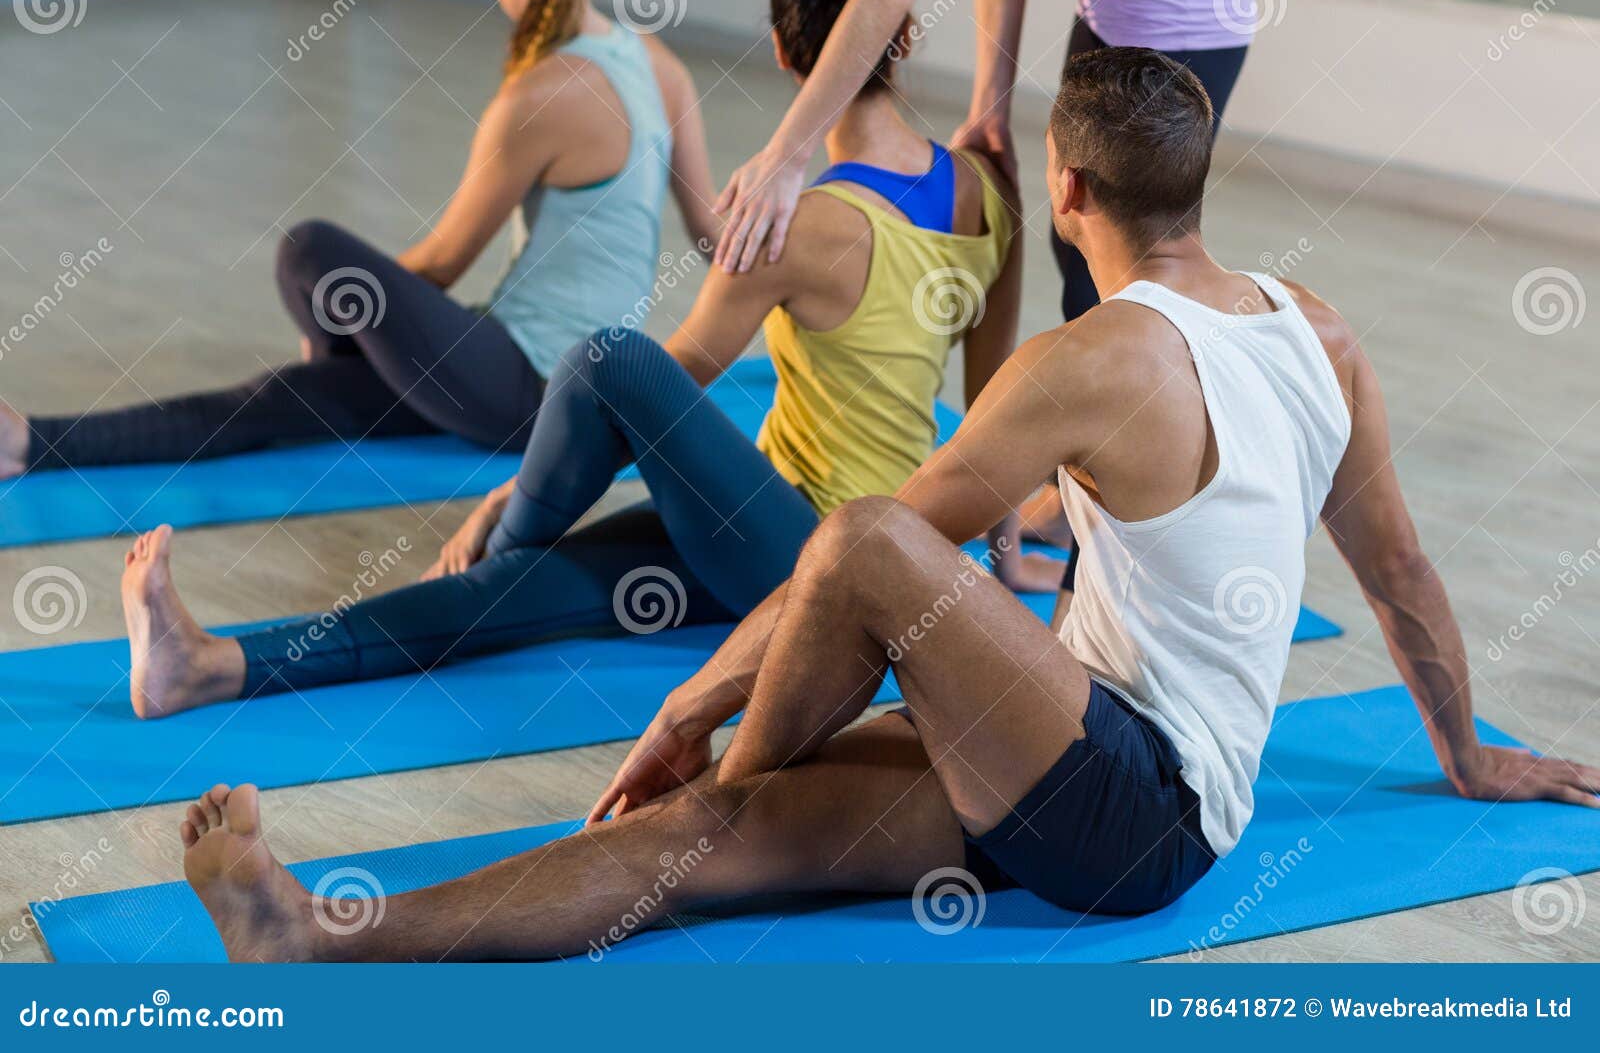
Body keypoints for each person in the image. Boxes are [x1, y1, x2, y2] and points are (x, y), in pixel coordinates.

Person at [173, 48, 1599, 962]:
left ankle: (721, 776)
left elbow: (867, 561)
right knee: (701, 850)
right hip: (1053, 749)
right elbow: (1402, 573)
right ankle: (312, 932)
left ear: (1067, 185)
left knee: (863, 539)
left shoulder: (1091, 360)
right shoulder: (1321, 333)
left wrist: (691, 707)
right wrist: (1464, 751)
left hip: (1135, 810)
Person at [118, 0, 1055, 721]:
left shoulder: (792, 225)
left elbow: (663, 377)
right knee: (515, 590)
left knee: (611, 361)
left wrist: (514, 493)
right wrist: (1005, 557)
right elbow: (991, 410)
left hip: (810, 558)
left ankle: (509, 529)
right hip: (796, 537)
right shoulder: (988, 191)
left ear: (782, 52)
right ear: (901, 36)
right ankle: (207, 665)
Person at [0, 0, 718, 480]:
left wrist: (354, 327)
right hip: (567, 384)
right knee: (284, 399)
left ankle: (34, 440)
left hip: (525, 391)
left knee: (309, 251)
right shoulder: (659, 63)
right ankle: (32, 441)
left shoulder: (538, 97)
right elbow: (715, 236)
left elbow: (442, 263)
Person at [714, 0, 1254, 314]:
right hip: (1112, 5)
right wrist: (989, 109)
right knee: (1078, 240)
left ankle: (1159, 413)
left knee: (1120, 262)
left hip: (1181, 7)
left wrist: (786, 155)